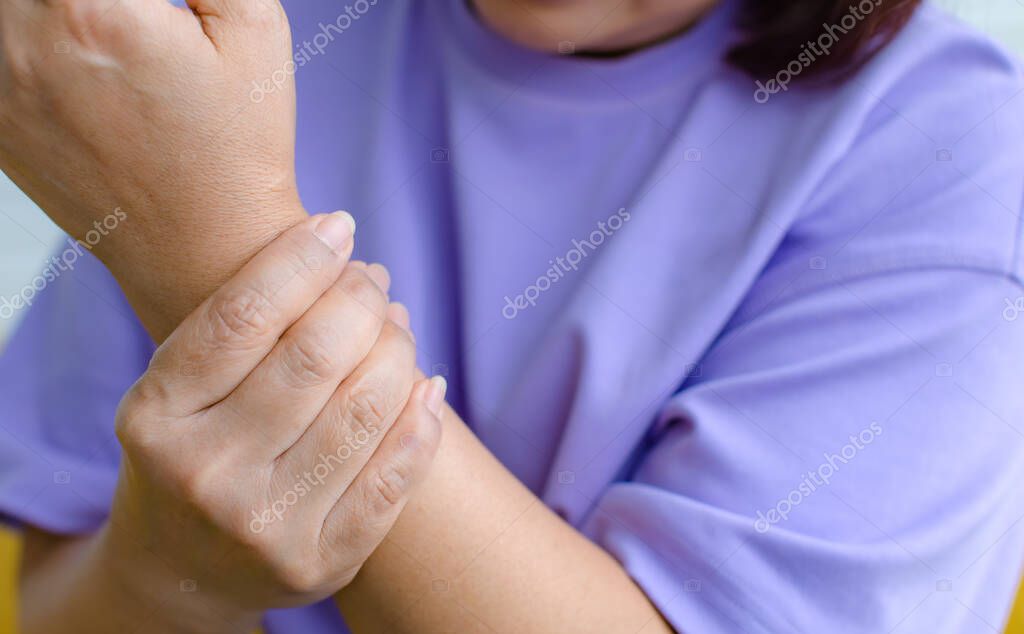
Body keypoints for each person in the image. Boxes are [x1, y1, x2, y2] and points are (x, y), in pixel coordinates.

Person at [1, 0, 1023, 631]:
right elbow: (55, 598)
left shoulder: (941, 149)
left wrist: (206, 234)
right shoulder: (266, 32)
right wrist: (175, 568)